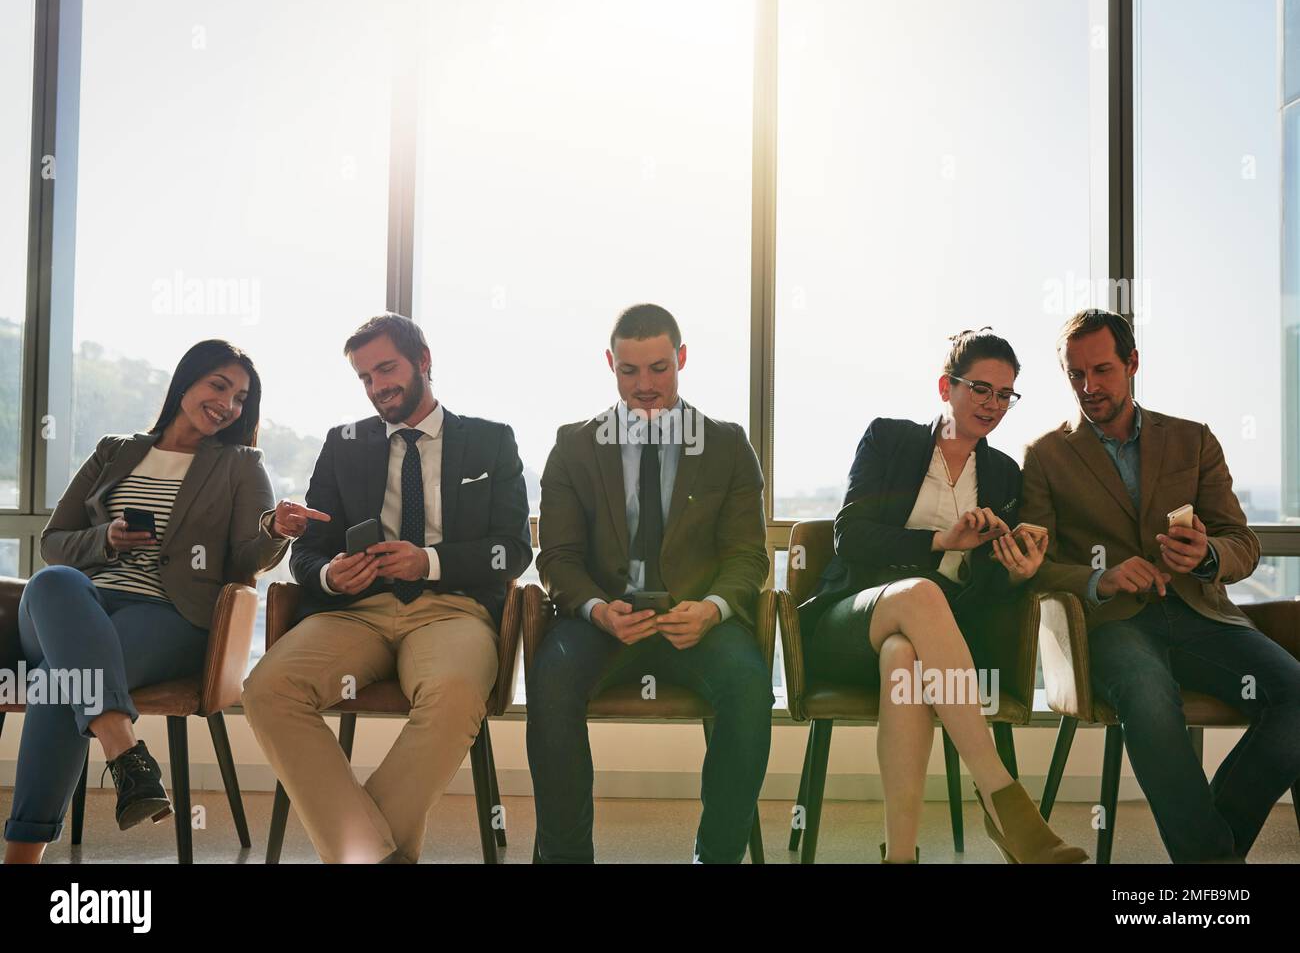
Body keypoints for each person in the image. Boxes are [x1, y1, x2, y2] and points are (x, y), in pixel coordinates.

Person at [242, 313, 531, 864]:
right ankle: (374, 853)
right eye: (365, 378)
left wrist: (429, 562)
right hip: (354, 613)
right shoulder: (343, 443)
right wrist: (330, 574)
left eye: (386, 369)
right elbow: (308, 551)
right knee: (266, 690)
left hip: (452, 612)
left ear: (424, 360)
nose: (377, 387)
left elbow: (513, 549)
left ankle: (358, 852)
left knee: (454, 695)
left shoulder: (491, 441)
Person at [4, 340, 308, 864]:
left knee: (63, 677)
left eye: (240, 398)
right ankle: (125, 751)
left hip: (169, 617)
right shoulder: (114, 450)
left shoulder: (240, 465)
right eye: (219, 385)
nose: (228, 404)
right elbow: (55, 541)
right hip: (78, 605)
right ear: (185, 383)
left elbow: (246, 559)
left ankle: (20, 857)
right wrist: (107, 540)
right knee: (53, 582)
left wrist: (276, 531)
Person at [1020, 309, 1300, 862]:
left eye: (1102, 370)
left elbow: (1242, 543)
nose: (1089, 387)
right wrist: (1101, 578)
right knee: (1149, 700)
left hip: (1202, 616)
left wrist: (1207, 555)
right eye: (1075, 375)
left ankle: (1208, 856)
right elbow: (1035, 565)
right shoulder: (1046, 456)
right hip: (1113, 625)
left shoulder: (1193, 440)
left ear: (1133, 364)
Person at [799, 328, 1088, 864]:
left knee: (904, 657)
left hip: (936, 645)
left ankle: (901, 856)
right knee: (923, 594)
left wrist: (1019, 570)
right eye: (981, 389)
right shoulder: (889, 440)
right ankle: (1004, 800)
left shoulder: (1003, 473)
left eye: (1005, 395)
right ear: (945, 387)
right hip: (850, 621)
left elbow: (985, 589)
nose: (993, 405)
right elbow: (850, 536)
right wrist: (940, 541)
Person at [527, 303, 772, 863]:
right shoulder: (573, 446)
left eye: (659, 368)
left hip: (697, 624)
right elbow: (557, 558)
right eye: (629, 371)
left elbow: (747, 557)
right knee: (551, 682)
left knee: (749, 687)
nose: (645, 386)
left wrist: (711, 609)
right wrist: (596, 609)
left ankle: (717, 857)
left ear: (681, 359)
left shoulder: (729, 445)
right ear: (610, 364)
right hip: (601, 622)